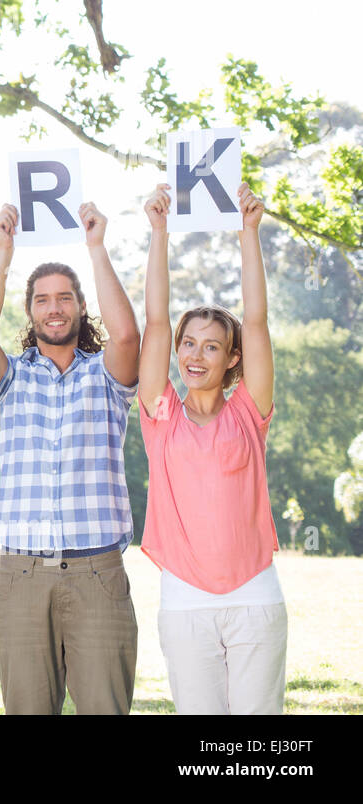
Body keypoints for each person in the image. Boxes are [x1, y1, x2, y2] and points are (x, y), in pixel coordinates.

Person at [0, 201, 141, 715]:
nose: (54, 307)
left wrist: (96, 247)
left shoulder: (106, 376)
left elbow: (128, 335)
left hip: (98, 572)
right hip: (22, 577)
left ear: (82, 307)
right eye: (42, 299)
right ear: (31, 310)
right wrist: (3, 252)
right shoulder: (12, 379)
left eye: (65, 297)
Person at [139, 182, 285, 714]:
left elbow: (257, 322)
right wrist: (160, 233)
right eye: (189, 343)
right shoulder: (161, 415)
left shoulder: (250, 412)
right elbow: (155, 323)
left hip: (255, 596)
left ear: (231, 359)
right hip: (186, 601)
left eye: (213, 346)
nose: (197, 355)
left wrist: (249, 232)